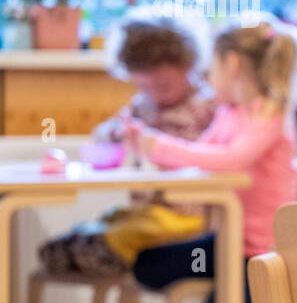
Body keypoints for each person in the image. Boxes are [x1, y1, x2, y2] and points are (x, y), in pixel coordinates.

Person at [127, 21, 297, 303]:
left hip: (262, 252)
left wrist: (160, 146)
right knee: (146, 264)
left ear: (233, 64)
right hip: (228, 244)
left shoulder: (269, 114)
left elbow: (230, 161)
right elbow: (203, 154)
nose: (207, 77)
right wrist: (151, 146)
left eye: (212, 67)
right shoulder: (231, 113)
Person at [39, 19, 215, 277]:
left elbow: (215, 156)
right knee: (114, 218)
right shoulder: (142, 106)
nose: (155, 94)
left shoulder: (206, 106)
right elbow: (103, 134)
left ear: (188, 65)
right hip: (147, 209)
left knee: (133, 231)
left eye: (163, 85)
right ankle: (80, 245)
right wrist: (115, 133)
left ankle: (93, 251)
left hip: (188, 215)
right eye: (144, 86)